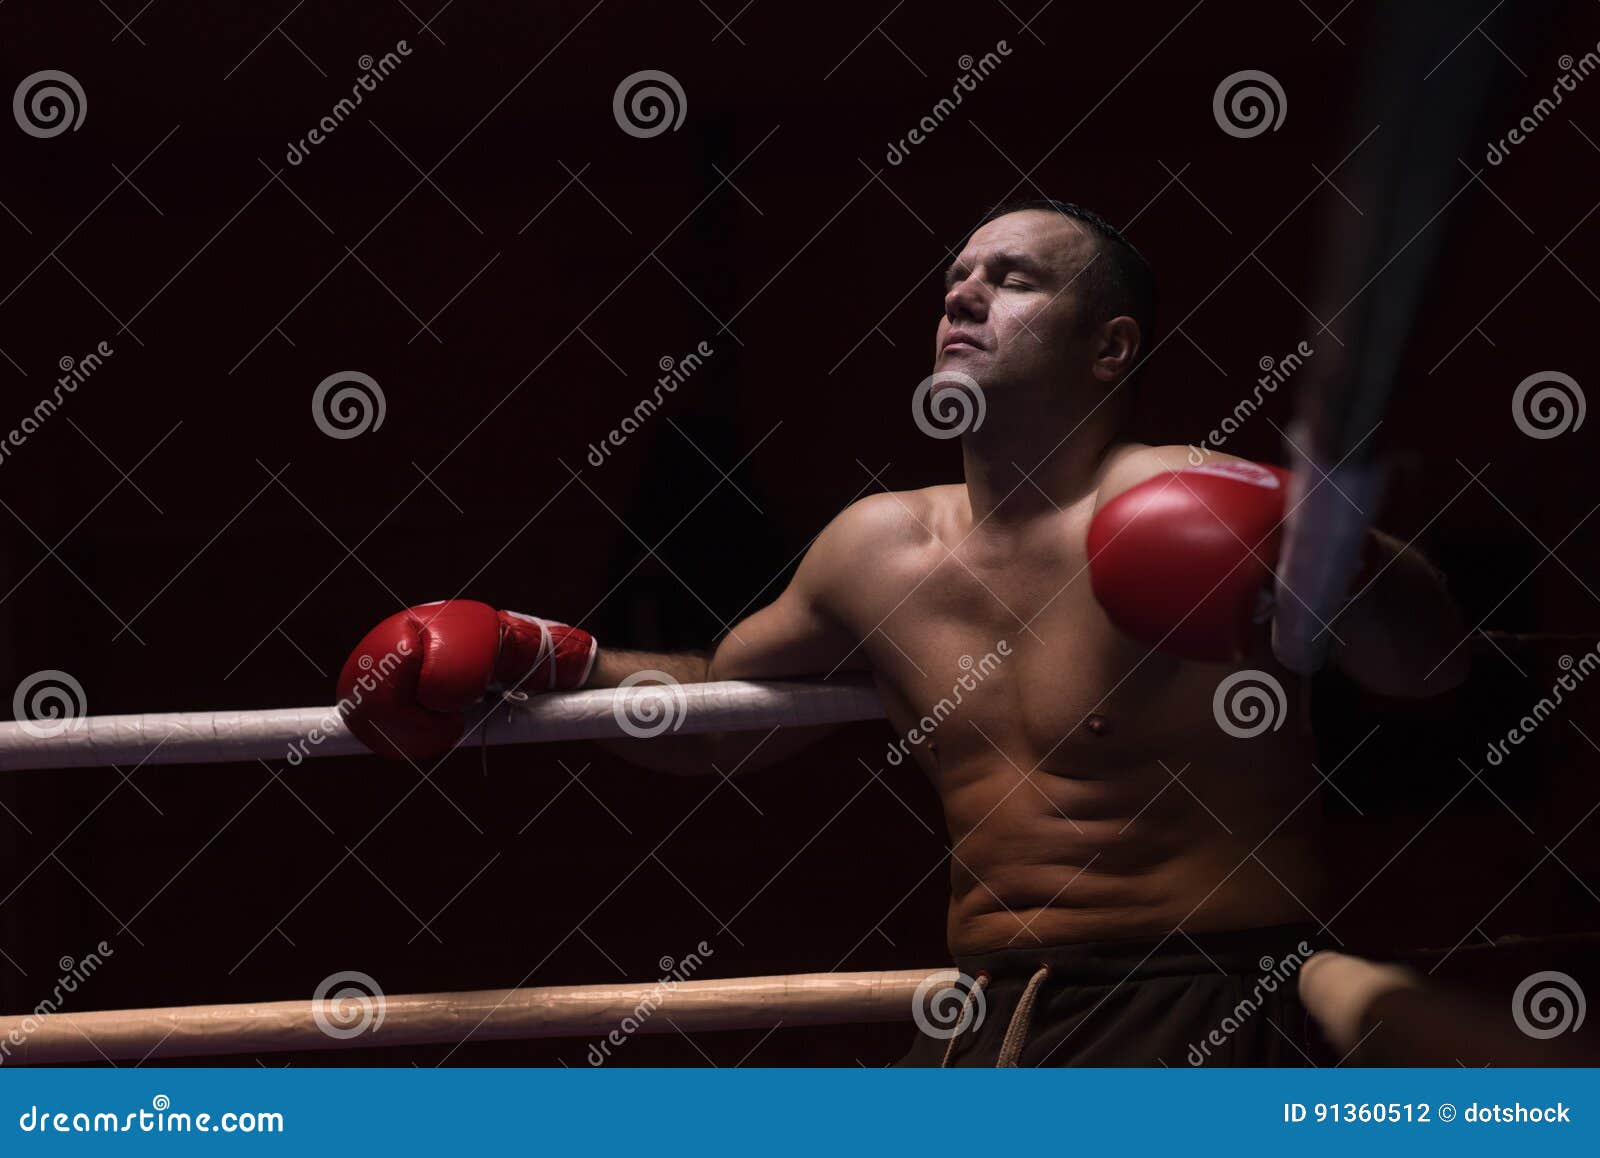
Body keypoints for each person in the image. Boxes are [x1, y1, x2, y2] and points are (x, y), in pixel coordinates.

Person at [336, 199, 1470, 1066]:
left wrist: (1339, 549)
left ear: (1110, 348)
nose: (963, 299)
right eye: (954, 280)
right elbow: (717, 711)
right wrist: (544, 655)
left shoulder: (1185, 492)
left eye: (1012, 280)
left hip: (1208, 997)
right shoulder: (874, 551)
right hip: (984, 1010)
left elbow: (1425, 666)